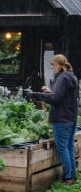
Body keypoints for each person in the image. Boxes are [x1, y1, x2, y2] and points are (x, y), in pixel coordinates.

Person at [26, 54, 79, 185]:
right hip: (71, 117)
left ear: (59, 65)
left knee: (63, 148)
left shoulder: (62, 78)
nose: (52, 69)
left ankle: (68, 178)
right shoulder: (71, 76)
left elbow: (55, 99)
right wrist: (50, 92)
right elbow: (62, 97)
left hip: (61, 118)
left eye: (53, 66)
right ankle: (72, 176)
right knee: (69, 147)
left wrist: (36, 95)